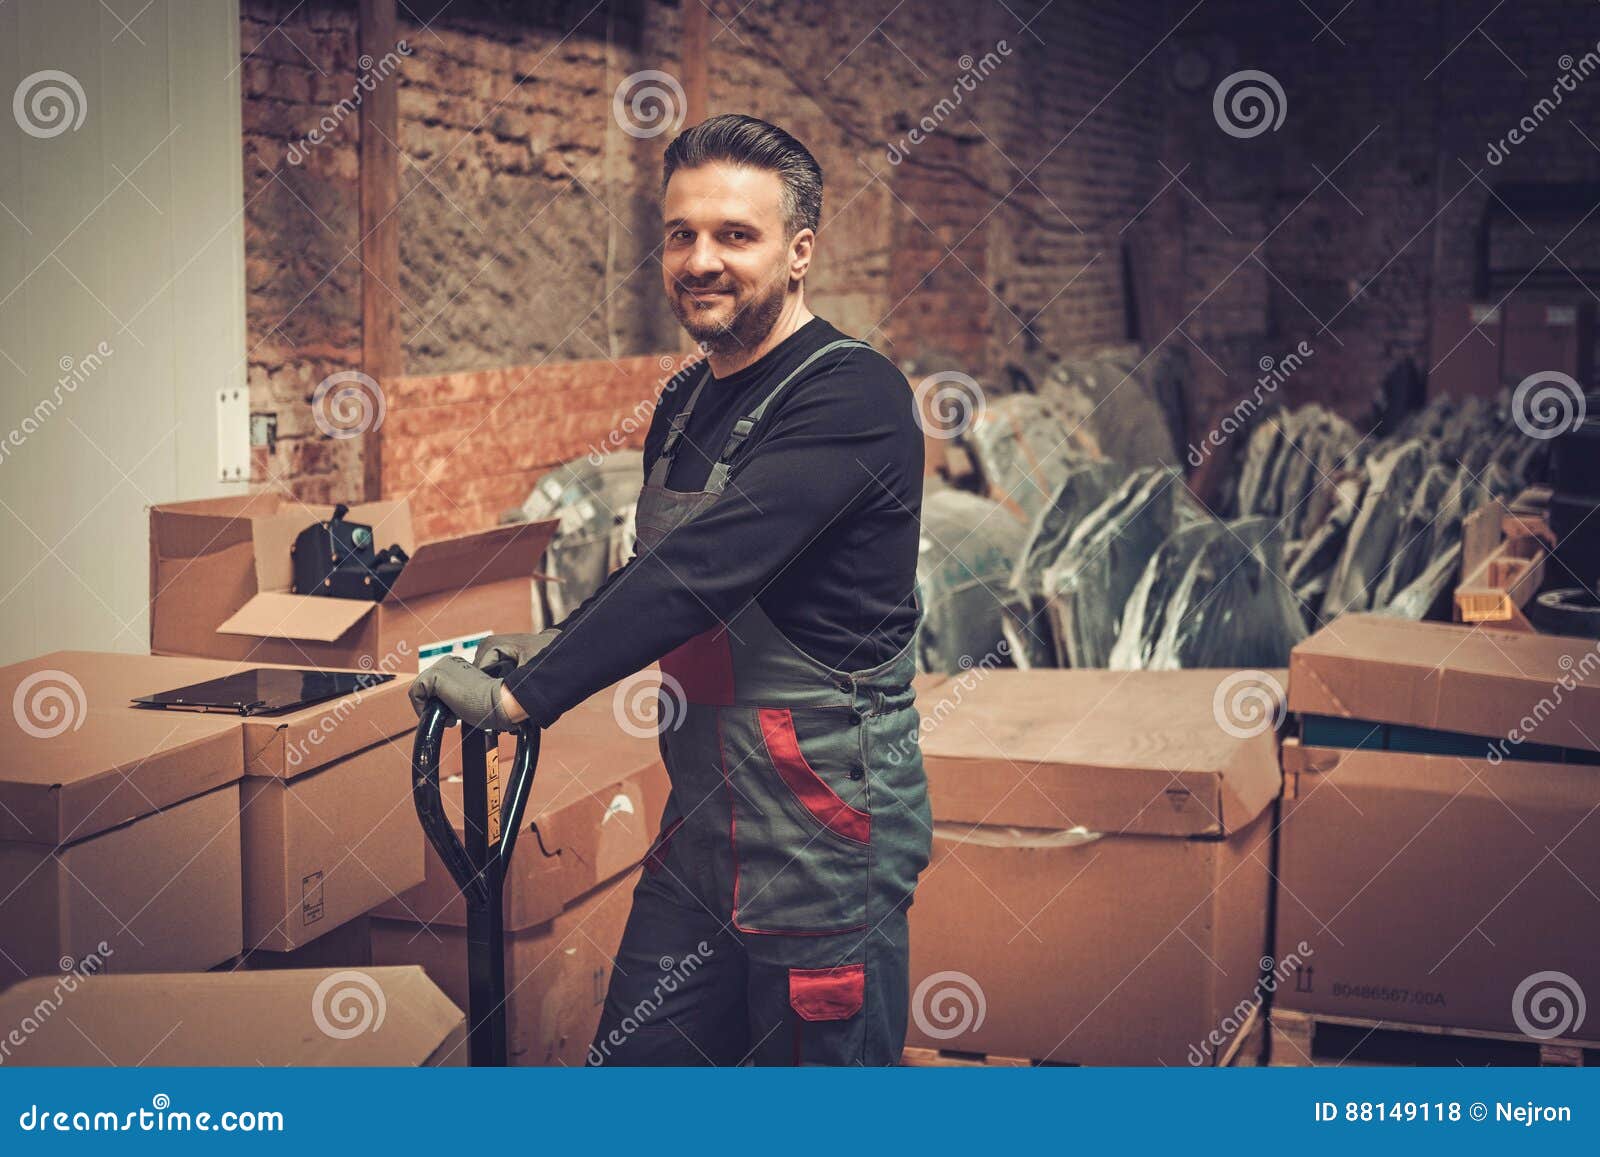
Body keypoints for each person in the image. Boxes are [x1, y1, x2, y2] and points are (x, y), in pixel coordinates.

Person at [409, 113, 931, 1066]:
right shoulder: (686, 400)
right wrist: (549, 642)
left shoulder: (852, 396)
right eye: (682, 233)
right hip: (700, 837)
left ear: (800, 250)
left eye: (737, 235)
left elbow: (706, 567)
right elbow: (653, 571)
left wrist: (530, 691)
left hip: (819, 845)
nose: (701, 260)